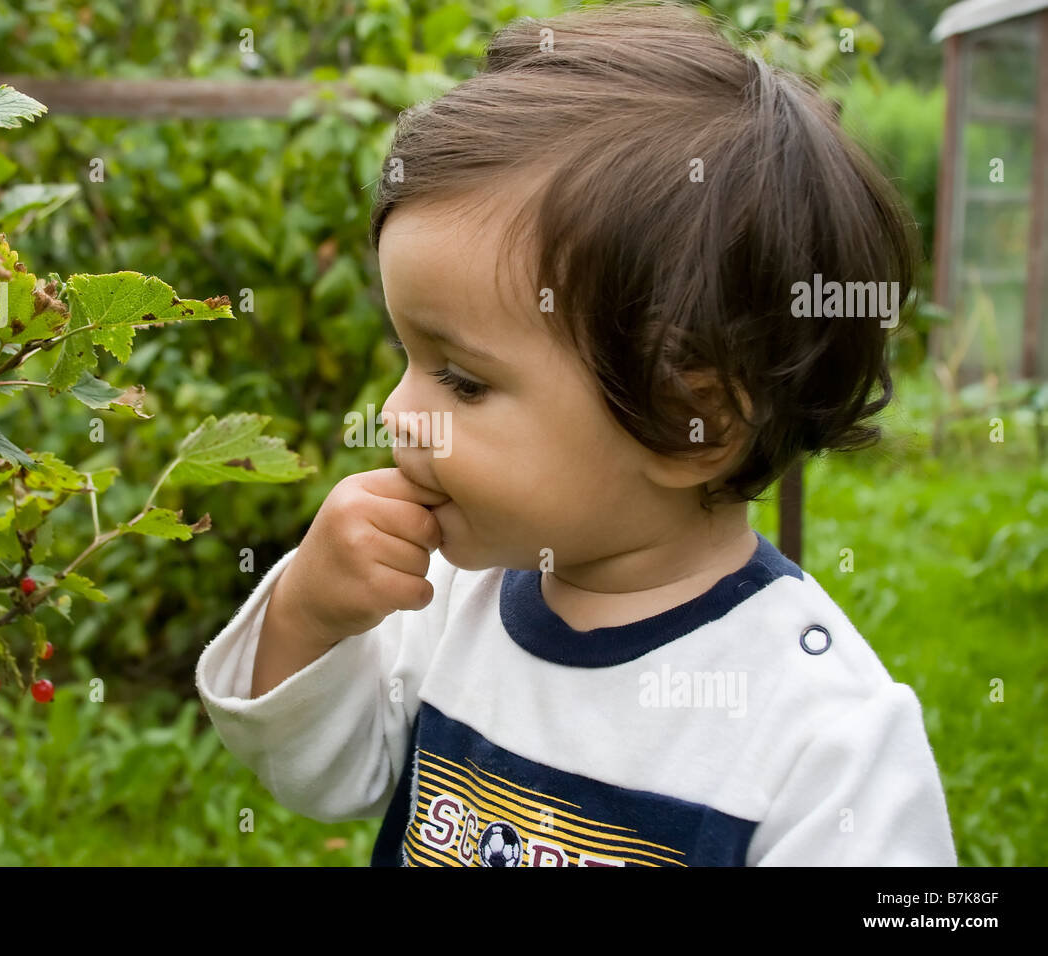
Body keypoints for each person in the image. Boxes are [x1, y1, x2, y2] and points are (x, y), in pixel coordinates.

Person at [194, 0, 957, 866]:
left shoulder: (821, 739)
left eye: (464, 380)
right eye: (407, 355)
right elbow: (323, 779)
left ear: (688, 420)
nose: (399, 412)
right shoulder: (448, 596)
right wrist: (312, 613)